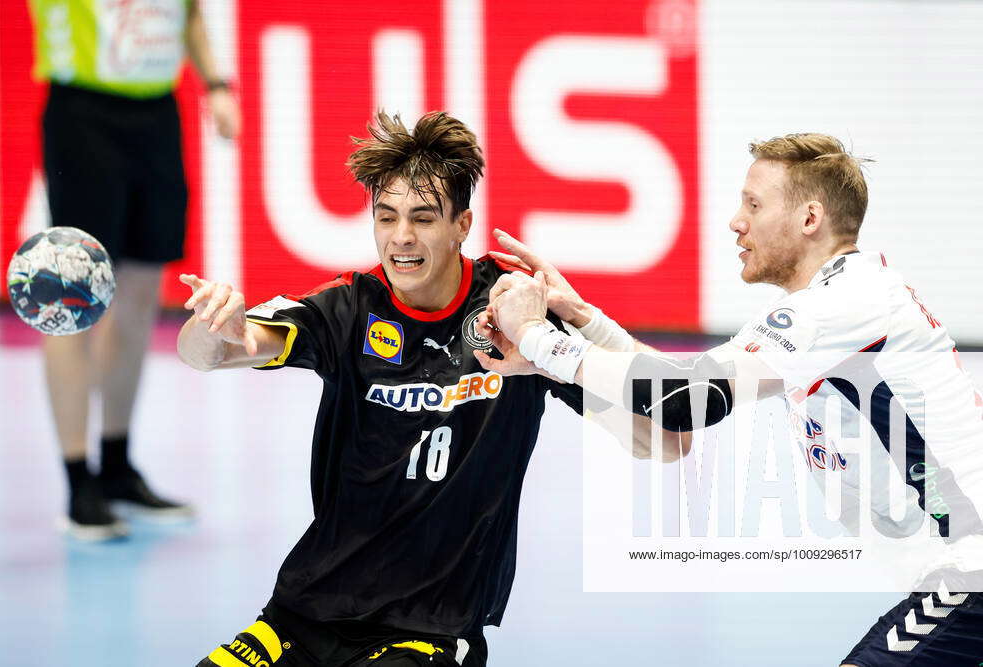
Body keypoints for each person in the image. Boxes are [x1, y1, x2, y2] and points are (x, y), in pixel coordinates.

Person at [177, 111, 682, 667]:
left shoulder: (515, 317)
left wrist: (577, 329)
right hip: (305, 615)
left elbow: (667, 439)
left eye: (422, 217)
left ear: (462, 224)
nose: (402, 237)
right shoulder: (350, 307)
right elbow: (216, 352)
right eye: (386, 217)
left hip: (428, 631)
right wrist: (213, 326)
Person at [478, 134, 983, 666]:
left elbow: (685, 401)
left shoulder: (838, 306)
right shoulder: (835, 302)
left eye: (754, 205)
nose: (735, 222)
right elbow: (680, 388)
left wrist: (537, 336)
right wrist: (584, 319)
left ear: (810, 218)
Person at [29, 0, 241, 539]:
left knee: (141, 296)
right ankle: (78, 481)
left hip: (157, 116)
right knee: (74, 300)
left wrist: (216, 84)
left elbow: (190, 12)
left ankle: (117, 466)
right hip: (84, 113)